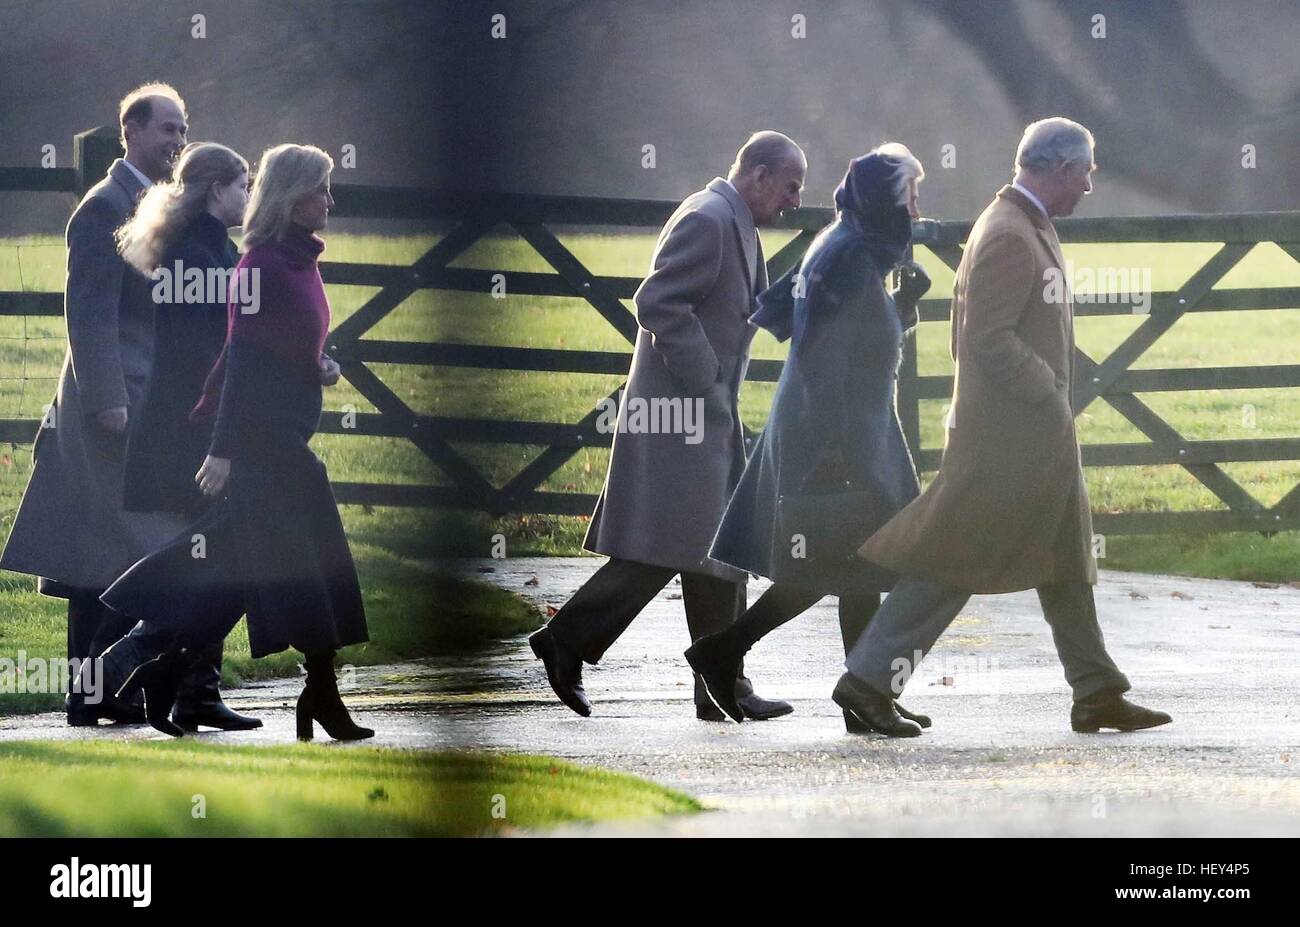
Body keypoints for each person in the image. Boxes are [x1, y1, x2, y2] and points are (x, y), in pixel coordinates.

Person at [834, 118, 1172, 736]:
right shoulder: (1012, 233)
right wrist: (1046, 393)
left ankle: (1096, 690)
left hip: (1034, 435)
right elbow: (986, 338)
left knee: (1065, 555)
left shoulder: (1021, 223)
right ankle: (867, 680)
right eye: (1087, 173)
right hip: (1010, 438)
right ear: (1061, 169)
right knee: (953, 557)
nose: (1090, 186)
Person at [82, 144, 372, 741]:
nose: (330, 199)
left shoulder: (298, 262)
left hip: (285, 432)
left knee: (240, 564)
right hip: (265, 442)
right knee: (310, 564)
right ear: (293, 199)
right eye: (320, 188)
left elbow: (282, 345)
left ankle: (162, 666)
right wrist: (221, 448)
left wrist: (318, 364)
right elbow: (236, 364)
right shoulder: (260, 265)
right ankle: (318, 691)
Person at [529, 131, 804, 720]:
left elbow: (741, 304)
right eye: (790, 185)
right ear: (757, 175)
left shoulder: (735, 220)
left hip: (701, 415)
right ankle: (564, 641)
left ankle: (720, 683)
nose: (794, 200)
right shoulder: (708, 219)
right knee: (673, 546)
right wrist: (707, 382)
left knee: (717, 545)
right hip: (679, 415)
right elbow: (658, 302)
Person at [687, 145, 932, 735]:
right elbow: (821, 354)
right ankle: (726, 653)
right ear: (885, 200)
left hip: (849, 430)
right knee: (836, 564)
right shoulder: (848, 253)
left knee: (859, 563)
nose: (918, 208)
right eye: (911, 195)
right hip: (838, 436)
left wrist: (899, 306)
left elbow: (847, 336)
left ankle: (866, 693)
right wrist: (832, 452)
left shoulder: (849, 246)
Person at [0, 83, 219, 726]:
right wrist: (107, 401)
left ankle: (105, 693)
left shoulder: (167, 205)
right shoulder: (103, 207)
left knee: (112, 550)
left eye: (183, 129)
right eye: (166, 130)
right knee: (113, 547)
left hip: (157, 397)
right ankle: (97, 693)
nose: (178, 141)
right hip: (113, 400)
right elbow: (89, 314)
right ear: (131, 133)